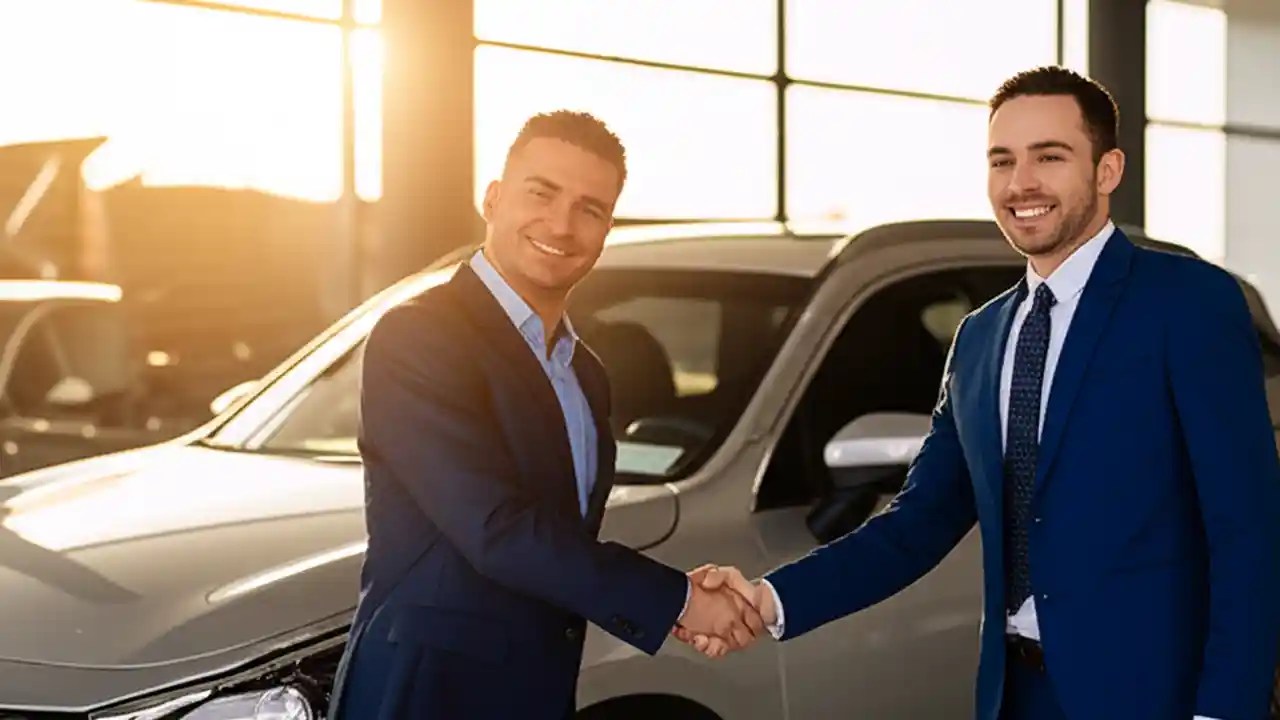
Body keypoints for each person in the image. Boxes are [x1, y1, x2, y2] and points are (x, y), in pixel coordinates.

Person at [679, 66, 1280, 720]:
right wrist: (767, 599)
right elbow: (917, 523)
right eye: (1002, 160)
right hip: (1012, 695)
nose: (1021, 183)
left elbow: (1249, 533)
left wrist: (1224, 711)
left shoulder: (1188, 304)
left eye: (1049, 156)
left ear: (1107, 170)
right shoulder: (980, 338)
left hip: (1154, 700)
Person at [328, 110, 762, 720]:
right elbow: (495, 526)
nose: (562, 224)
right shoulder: (420, 336)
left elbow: (559, 541)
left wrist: (674, 601)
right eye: (541, 193)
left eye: (590, 209)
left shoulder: (585, 373)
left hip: (535, 691)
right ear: (493, 199)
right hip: (428, 693)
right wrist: (679, 601)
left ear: (607, 228)